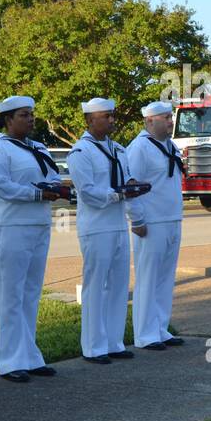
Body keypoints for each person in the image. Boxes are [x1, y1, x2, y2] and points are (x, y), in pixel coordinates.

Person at [0, 95, 62, 382]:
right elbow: (3, 187)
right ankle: (9, 361)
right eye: (24, 115)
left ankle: (29, 355)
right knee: (11, 295)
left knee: (31, 293)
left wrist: (53, 188)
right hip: (12, 228)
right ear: (8, 119)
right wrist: (38, 192)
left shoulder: (38, 147)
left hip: (38, 224)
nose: (31, 119)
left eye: (31, 114)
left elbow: (53, 175)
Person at [66, 97, 145, 363]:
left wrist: (133, 186)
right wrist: (119, 194)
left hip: (117, 224)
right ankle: (93, 347)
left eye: (112, 115)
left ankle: (114, 342)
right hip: (95, 226)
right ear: (90, 120)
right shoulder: (80, 152)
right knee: (96, 285)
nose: (112, 120)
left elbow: (126, 179)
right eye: (105, 116)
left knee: (119, 285)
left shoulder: (119, 150)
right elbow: (87, 192)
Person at [126, 101, 187, 351]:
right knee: (148, 278)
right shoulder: (139, 147)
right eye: (165, 118)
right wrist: (137, 219)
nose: (171, 121)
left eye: (170, 117)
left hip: (172, 218)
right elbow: (131, 186)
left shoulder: (169, 145)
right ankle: (145, 334)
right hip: (151, 221)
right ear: (150, 121)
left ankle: (161, 328)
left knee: (165, 278)